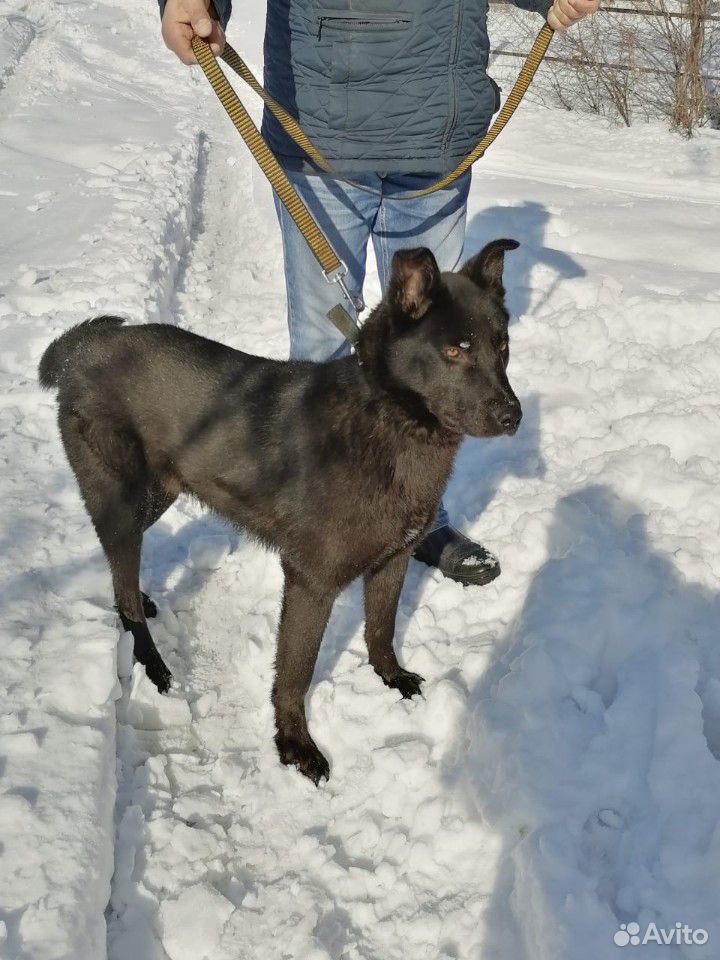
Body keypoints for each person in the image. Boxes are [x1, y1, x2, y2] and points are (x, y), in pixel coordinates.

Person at [158, 0, 599, 586]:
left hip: (437, 139)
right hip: (324, 133)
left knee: (436, 359)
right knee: (323, 341)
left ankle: (416, 515)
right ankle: (315, 509)